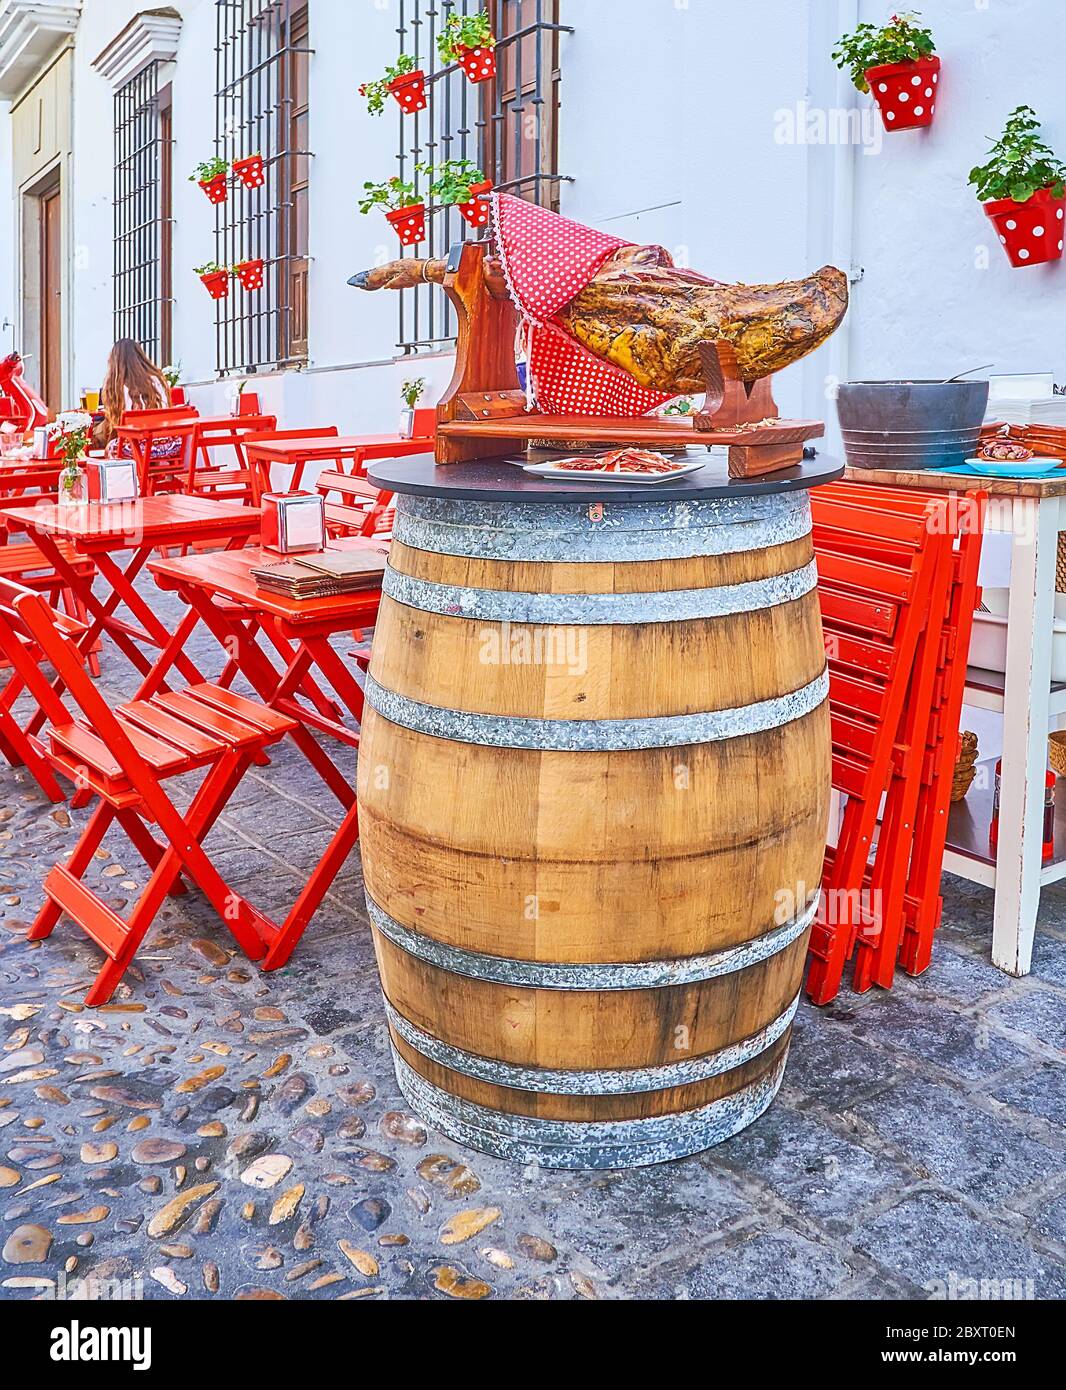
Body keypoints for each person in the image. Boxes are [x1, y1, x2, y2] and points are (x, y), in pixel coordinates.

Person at [94, 339, 180, 456]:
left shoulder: (119, 386)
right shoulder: (158, 380)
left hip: (138, 447)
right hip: (168, 445)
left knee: (99, 436)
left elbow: (118, 426)